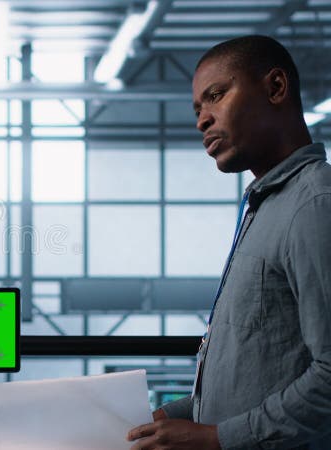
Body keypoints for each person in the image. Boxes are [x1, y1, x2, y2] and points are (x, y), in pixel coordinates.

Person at [126, 35, 331, 449]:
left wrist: (218, 438)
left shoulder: (314, 204)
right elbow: (264, 369)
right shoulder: (265, 206)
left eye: (216, 96)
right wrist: (174, 415)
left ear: (275, 88)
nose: (202, 120)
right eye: (198, 109)